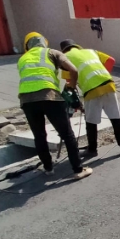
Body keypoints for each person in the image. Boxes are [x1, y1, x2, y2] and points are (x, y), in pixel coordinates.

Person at [18, 32, 92, 180]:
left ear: (27, 46)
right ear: (44, 42)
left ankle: (48, 168)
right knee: (67, 134)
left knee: (39, 136)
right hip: (50, 97)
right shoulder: (51, 52)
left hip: (27, 100)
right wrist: (70, 86)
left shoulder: (22, 58)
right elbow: (73, 70)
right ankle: (78, 169)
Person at [59, 39, 120, 158]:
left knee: (91, 122)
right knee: (115, 118)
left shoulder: (65, 58)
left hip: (91, 90)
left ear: (64, 50)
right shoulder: (91, 51)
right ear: (76, 46)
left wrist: (73, 93)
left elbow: (69, 82)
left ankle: (92, 150)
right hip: (108, 84)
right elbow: (111, 60)